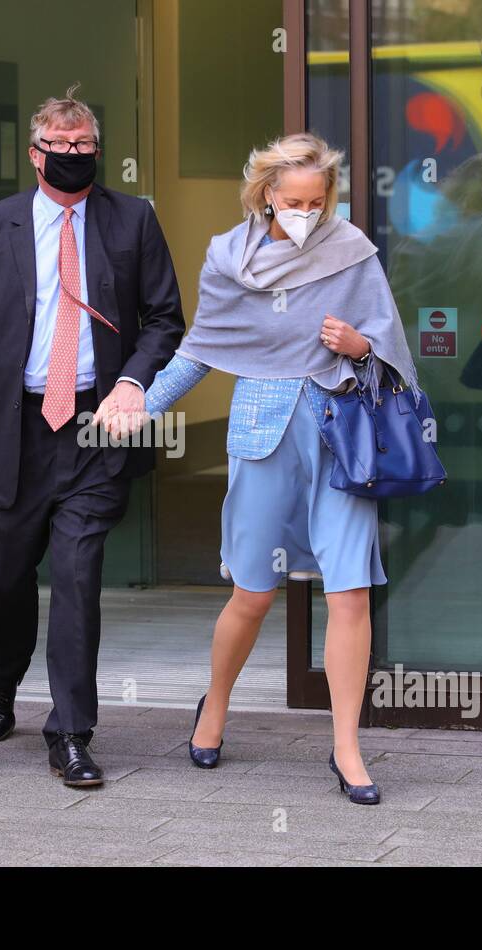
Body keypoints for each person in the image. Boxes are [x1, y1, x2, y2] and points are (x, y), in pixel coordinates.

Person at [99, 132, 418, 805]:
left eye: (317, 201)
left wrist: (359, 348)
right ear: (268, 193)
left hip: (341, 440)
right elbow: (202, 349)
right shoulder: (229, 257)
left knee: (350, 590)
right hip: (262, 435)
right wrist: (141, 407)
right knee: (252, 592)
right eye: (294, 200)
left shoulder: (352, 249)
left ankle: (347, 748)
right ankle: (214, 706)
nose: (306, 212)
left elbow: (390, 356)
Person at [0, 86, 185, 786]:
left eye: (85, 147)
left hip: (95, 430)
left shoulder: (133, 221)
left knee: (77, 580)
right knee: (8, 577)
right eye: (61, 147)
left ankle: (70, 732)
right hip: (8, 433)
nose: (74, 157)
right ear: (35, 153)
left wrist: (133, 383)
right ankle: (0, 681)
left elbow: (165, 319)